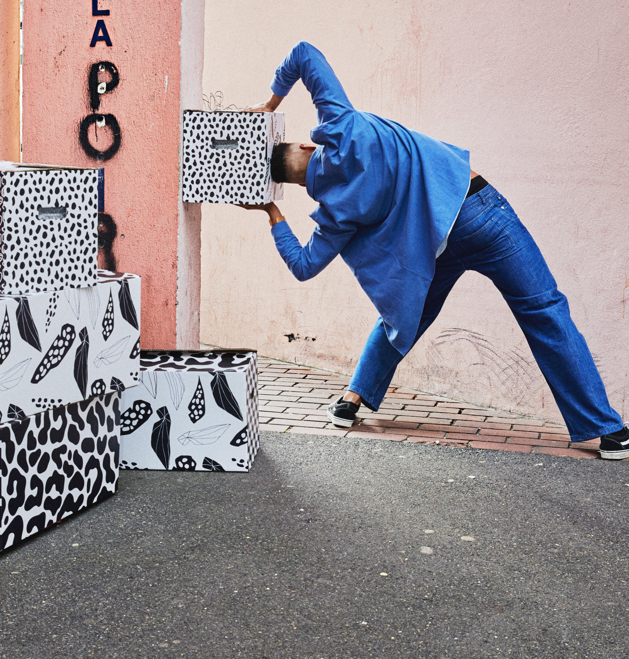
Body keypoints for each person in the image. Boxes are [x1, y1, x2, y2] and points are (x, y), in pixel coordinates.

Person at [242, 41, 628, 459]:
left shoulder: (334, 213)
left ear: (298, 184)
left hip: (432, 246)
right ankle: (606, 431)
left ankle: (352, 400)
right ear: (305, 147)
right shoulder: (341, 124)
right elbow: (303, 53)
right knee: (544, 310)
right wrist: (269, 104)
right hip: (479, 214)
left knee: (403, 313)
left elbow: (303, 265)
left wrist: (272, 213)